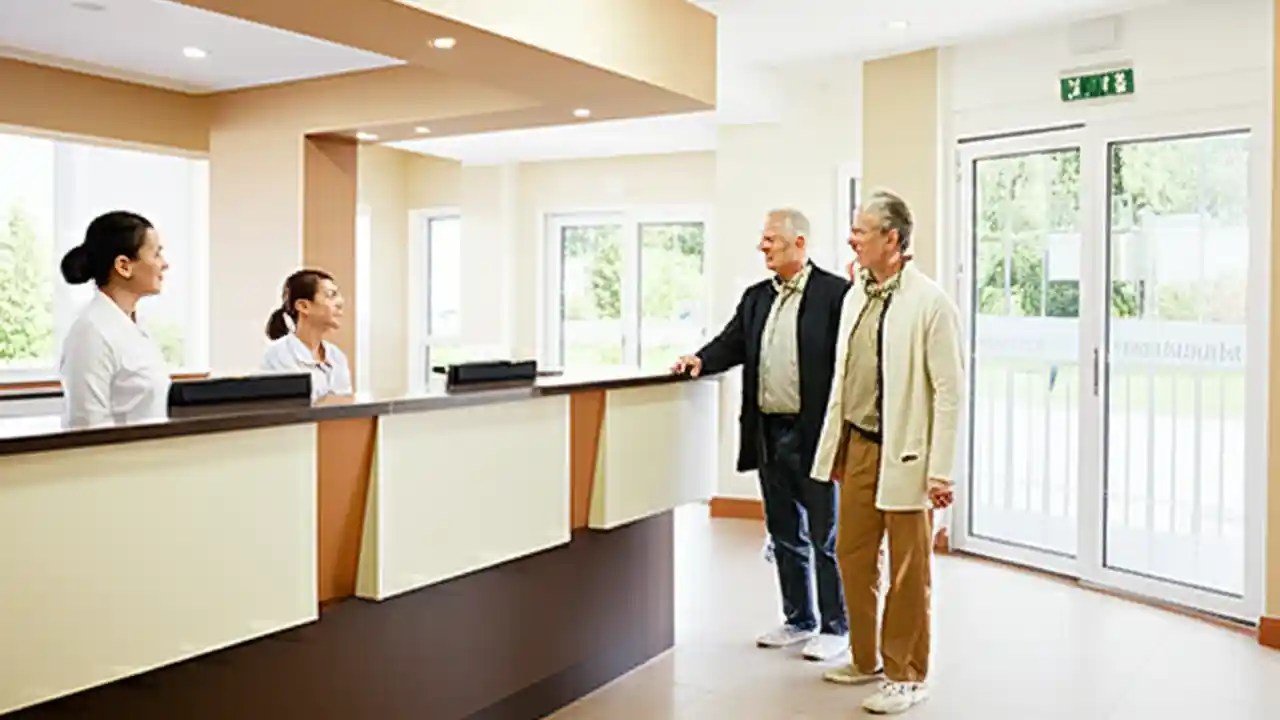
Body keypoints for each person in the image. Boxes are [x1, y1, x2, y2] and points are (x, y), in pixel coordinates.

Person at [673, 208, 850, 661]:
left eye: (771, 238)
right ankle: (798, 619)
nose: (763, 246)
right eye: (764, 239)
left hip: (814, 433)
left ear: (800, 243)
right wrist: (699, 360)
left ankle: (836, 626)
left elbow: (852, 364)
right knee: (783, 531)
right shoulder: (756, 298)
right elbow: (732, 343)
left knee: (825, 536)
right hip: (769, 431)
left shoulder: (835, 295)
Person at [812, 189, 963, 715]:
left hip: (907, 453)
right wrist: (835, 449)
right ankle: (866, 656)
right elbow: (843, 377)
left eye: (861, 231)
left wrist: (941, 471)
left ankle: (908, 673)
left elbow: (950, 391)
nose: (851, 239)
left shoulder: (930, 302)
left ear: (892, 239)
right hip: (857, 445)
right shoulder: (857, 294)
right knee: (851, 555)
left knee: (907, 569)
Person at [59, 211, 171, 429]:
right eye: (156, 254)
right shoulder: (90, 333)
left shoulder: (137, 327)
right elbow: (87, 426)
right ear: (124, 266)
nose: (164, 264)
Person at [261, 269, 352, 400]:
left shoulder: (337, 357)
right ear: (303, 306)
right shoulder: (277, 357)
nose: (340, 302)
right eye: (331, 295)